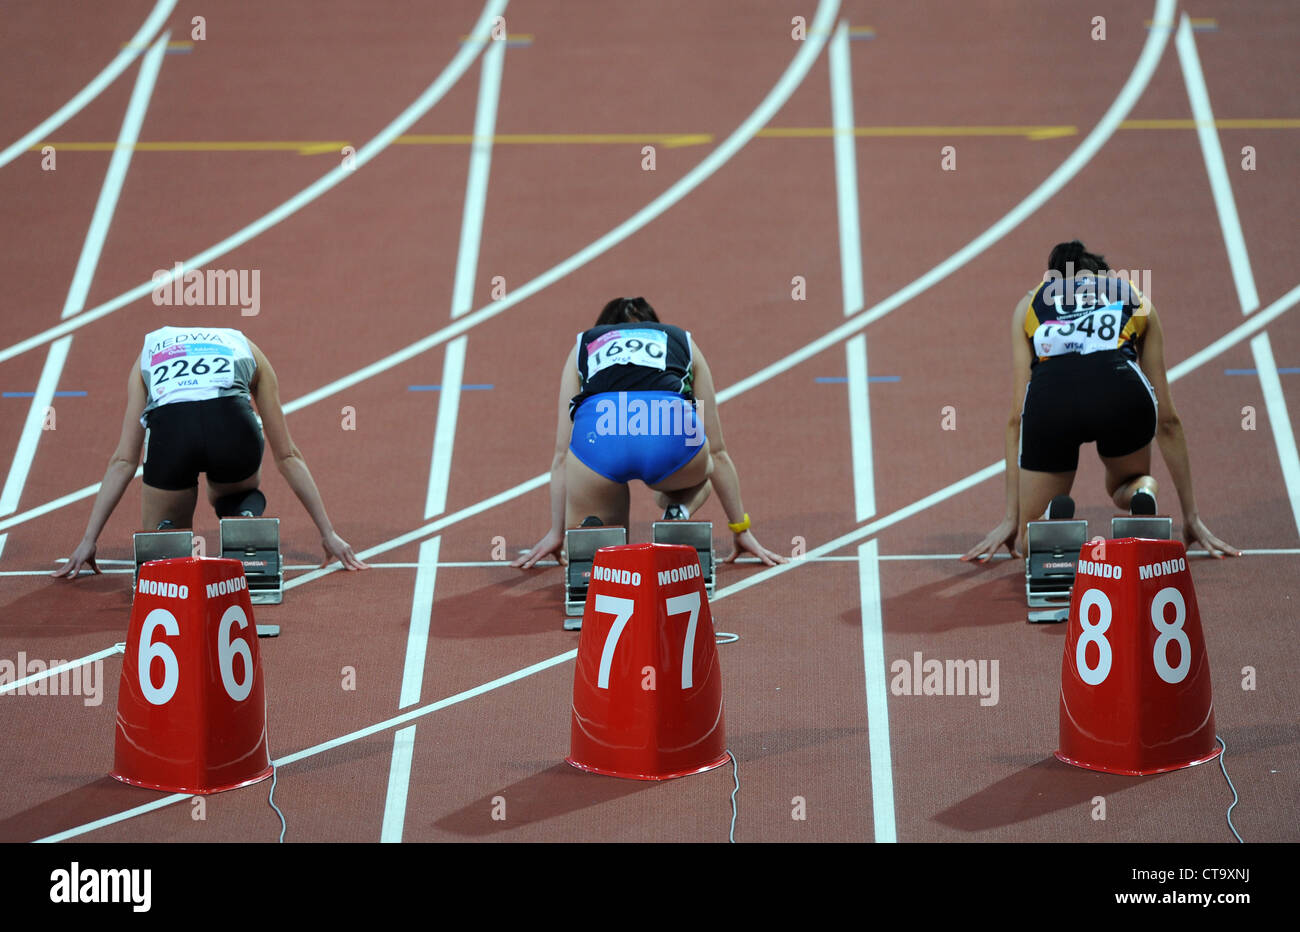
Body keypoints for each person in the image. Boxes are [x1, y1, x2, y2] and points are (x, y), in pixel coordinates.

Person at [963, 241, 1240, 562]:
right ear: (1102, 276)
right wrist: (1190, 516)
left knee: (1029, 540)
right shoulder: (1135, 296)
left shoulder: (1029, 303)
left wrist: (1013, 518)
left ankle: (1051, 511)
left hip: (1053, 399)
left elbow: (1016, 418)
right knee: (1125, 482)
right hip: (1121, 393)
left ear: (1053, 278)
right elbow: (1168, 421)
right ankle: (1142, 490)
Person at [53, 325, 368, 578]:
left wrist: (88, 540)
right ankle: (242, 511)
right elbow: (287, 456)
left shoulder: (148, 352)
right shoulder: (246, 347)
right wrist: (328, 533)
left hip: (172, 437)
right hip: (233, 431)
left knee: (165, 524)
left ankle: (168, 535)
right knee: (234, 486)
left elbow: (124, 460)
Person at [513, 297, 786, 569]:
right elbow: (716, 449)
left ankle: (598, 536)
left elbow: (562, 454)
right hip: (671, 436)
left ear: (603, 330)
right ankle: (678, 508)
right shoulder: (683, 341)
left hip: (600, 438)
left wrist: (557, 532)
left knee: (603, 548)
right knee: (705, 465)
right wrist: (741, 529)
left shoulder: (582, 345)